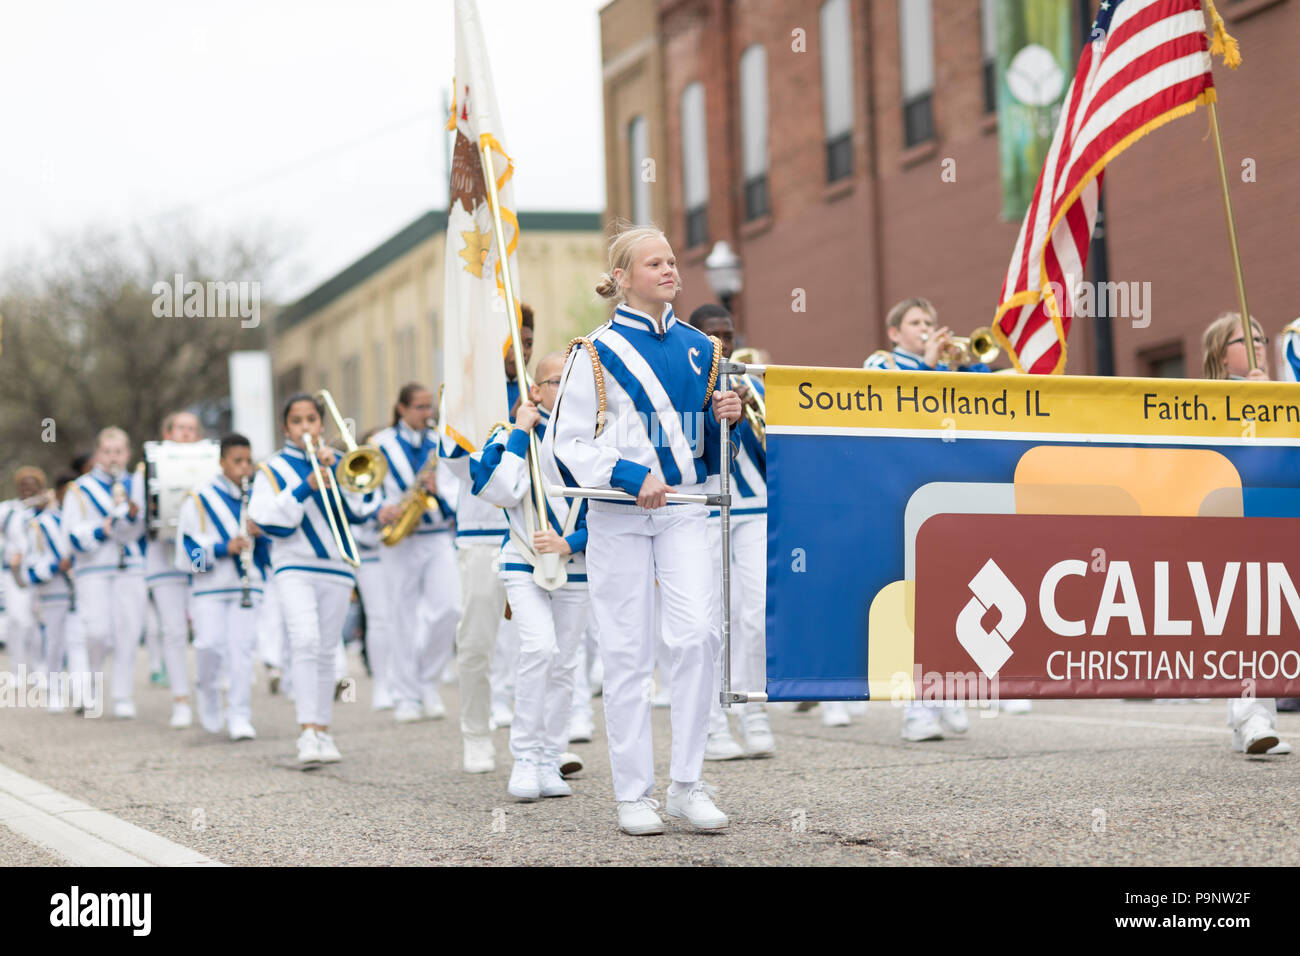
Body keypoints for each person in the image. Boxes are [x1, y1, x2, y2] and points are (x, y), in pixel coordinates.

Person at [544, 224, 743, 835]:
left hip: (684, 510)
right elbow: (564, 445)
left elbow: (711, 453)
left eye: (672, 261)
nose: (668, 270)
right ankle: (634, 794)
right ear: (624, 278)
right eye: (653, 263)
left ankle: (687, 784)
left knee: (697, 638)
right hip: (618, 517)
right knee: (627, 654)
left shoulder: (702, 350)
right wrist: (630, 474)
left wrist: (724, 422)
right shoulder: (593, 352)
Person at [471, 351, 591, 800]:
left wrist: (571, 543)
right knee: (539, 648)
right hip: (522, 560)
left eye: (571, 380)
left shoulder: (595, 436)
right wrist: (521, 430)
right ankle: (523, 758)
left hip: (575, 565)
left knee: (564, 664)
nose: (563, 388)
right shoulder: (507, 435)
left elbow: (612, 506)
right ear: (536, 390)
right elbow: (500, 490)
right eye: (554, 381)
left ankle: (548, 757)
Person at [249, 394, 379, 765]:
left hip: (337, 567)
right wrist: (307, 484)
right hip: (294, 566)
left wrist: (335, 477)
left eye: (311, 420)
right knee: (304, 641)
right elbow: (268, 520)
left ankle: (323, 729)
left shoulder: (339, 461)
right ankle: (307, 730)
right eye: (296, 421)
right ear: (285, 427)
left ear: (322, 425)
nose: (305, 427)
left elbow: (359, 512)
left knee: (325, 649)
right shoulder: (271, 469)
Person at [1202, 312, 1292, 756]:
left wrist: (1269, 400)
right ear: (1222, 353)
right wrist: (1243, 400)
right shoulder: (1201, 401)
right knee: (1246, 617)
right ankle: (1253, 717)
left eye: (1261, 338)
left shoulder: (1284, 398)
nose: (1258, 345)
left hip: (1278, 518)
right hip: (1230, 522)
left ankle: (1250, 717)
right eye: (1245, 339)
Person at [687, 304, 775, 760]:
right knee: (711, 617)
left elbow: (777, 452)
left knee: (757, 610)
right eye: (713, 336)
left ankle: (753, 710)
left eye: (729, 334)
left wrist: (749, 412)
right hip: (703, 507)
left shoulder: (754, 382)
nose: (724, 343)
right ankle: (712, 723)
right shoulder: (683, 380)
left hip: (755, 503)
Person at [373, 385, 460, 724]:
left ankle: (428, 681)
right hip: (400, 539)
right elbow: (368, 488)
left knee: (449, 608)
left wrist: (443, 492)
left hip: (437, 534)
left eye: (430, 407)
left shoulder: (441, 441)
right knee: (401, 615)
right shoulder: (381, 444)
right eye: (421, 407)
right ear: (402, 408)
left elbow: (456, 484)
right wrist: (381, 509)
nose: (428, 413)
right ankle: (406, 694)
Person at [175, 433, 270, 740]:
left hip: (247, 584)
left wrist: (263, 533)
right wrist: (221, 549)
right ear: (222, 463)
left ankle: (240, 714)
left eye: (248, 462)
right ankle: (208, 690)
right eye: (237, 462)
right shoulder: (199, 498)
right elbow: (186, 554)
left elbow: (270, 553)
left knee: (241, 651)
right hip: (210, 588)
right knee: (209, 645)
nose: (245, 468)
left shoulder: (259, 497)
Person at [63, 427, 148, 719]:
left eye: (119, 451)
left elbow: (147, 530)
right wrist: (102, 529)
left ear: (127, 453)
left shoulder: (138, 486)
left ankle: (122, 694)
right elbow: (72, 534)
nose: (113, 457)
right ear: (98, 454)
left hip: (130, 567)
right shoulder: (80, 489)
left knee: (128, 631)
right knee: (97, 631)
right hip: (94, 569)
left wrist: (135, 515)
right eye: (108, 451)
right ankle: (92, 682)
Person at [146, 410, 207, 729]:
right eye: (180, 428)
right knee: (173, 630)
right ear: (167, 433)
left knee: (207, 625)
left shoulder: (210, 465)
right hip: (163, 558)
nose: (186, 433)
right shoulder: (149, 465)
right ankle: (180, 699)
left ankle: (211, 690)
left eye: (191, 428)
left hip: (199, 556)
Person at [863, 296, 992, 373]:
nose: (924, 328)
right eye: (915, 323)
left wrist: (961, 366)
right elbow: (899, 403)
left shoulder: (942, 366)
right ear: (895, 334)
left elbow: (983, 395)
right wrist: (927, 365)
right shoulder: (881, 363)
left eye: (929, 324)